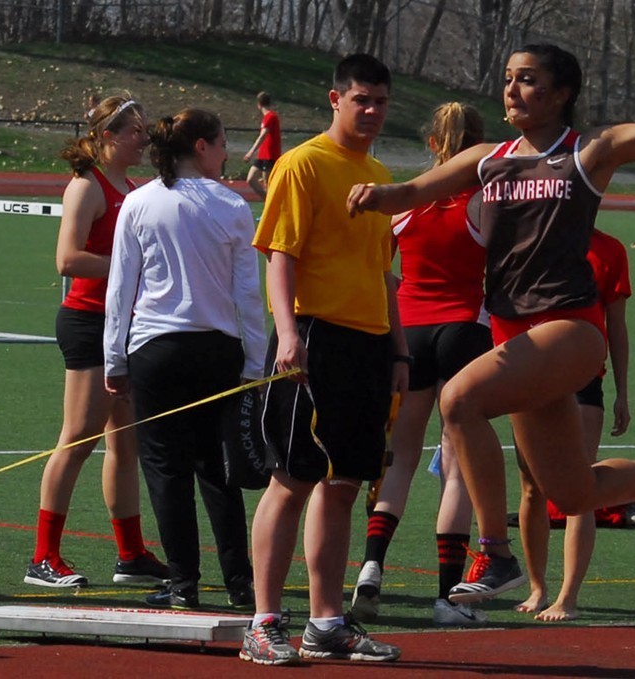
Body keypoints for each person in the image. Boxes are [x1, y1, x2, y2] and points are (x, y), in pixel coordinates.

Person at [347, 35, 635, 604]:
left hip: (570, 329)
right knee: (572, 489)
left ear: (562, 93)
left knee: (459, 401)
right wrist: (373, 193)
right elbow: (410, 191)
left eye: (528, 79)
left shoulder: (590, 150)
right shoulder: (488, 159)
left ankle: (493, 552)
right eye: (510, 77)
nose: (512, 89)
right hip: (515, 333)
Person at [239, 54, 404, 666]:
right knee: (294, 477)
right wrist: (287, 334)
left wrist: (399, 347)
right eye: (362, 99)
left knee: (344, 483)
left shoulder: (380, 174)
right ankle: (263, 621)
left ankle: (327, 621)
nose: (372, 111)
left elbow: (383, 274)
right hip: (312, 336)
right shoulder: (302, 163)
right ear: (335, 98)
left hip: (368, 342)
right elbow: (279, 255)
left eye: (381, 101)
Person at [103, 108, 263, 611]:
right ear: (200, 147)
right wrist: (256, 364)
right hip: (218, 349)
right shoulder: (232, 205)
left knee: (165, 468)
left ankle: (183, 582)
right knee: (219, 470)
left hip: (156, 349)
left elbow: (120, 288)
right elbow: (248, 295)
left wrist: (114, 357)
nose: (226, 153)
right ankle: (241, 583)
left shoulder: (138, 202)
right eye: (220, 143)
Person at [349, 102, 492, 629]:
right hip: (464, 329)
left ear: (433, 143)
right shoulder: (480, 201)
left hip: (408, 332)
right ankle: (447, 597)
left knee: (401, 456)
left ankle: (370, 565)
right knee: (456, 463)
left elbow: (385, 274)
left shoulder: (404, 202)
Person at [28, 94, 170, 590]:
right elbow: (66, 259)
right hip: (89, 322)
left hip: (121, 326)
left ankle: (130, 554)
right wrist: (128, 270)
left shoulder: (128, 186)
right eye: (135, 130)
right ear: (108, 136)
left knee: (124, 444)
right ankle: (43, 557)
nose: (143, 137)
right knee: (76, 438)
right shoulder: (86, 187)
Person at [513, 228, 631, 622]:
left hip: (584, 378)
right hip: (531, 373)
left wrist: (622, 390)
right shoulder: (533, 240)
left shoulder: (609, 250)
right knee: (531, 486)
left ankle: (568, 595)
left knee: (581, 488)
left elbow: (616, 323)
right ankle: (537, 587)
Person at [241, 92, 282, 198]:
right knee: (251, 179)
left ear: (258, 104)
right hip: (262, 155)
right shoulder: (266, 117)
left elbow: (262, 136)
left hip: (270, 155)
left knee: (267, 185)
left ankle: (272, 209)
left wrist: (250, 152)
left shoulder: (271, 116)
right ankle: (268, 202)